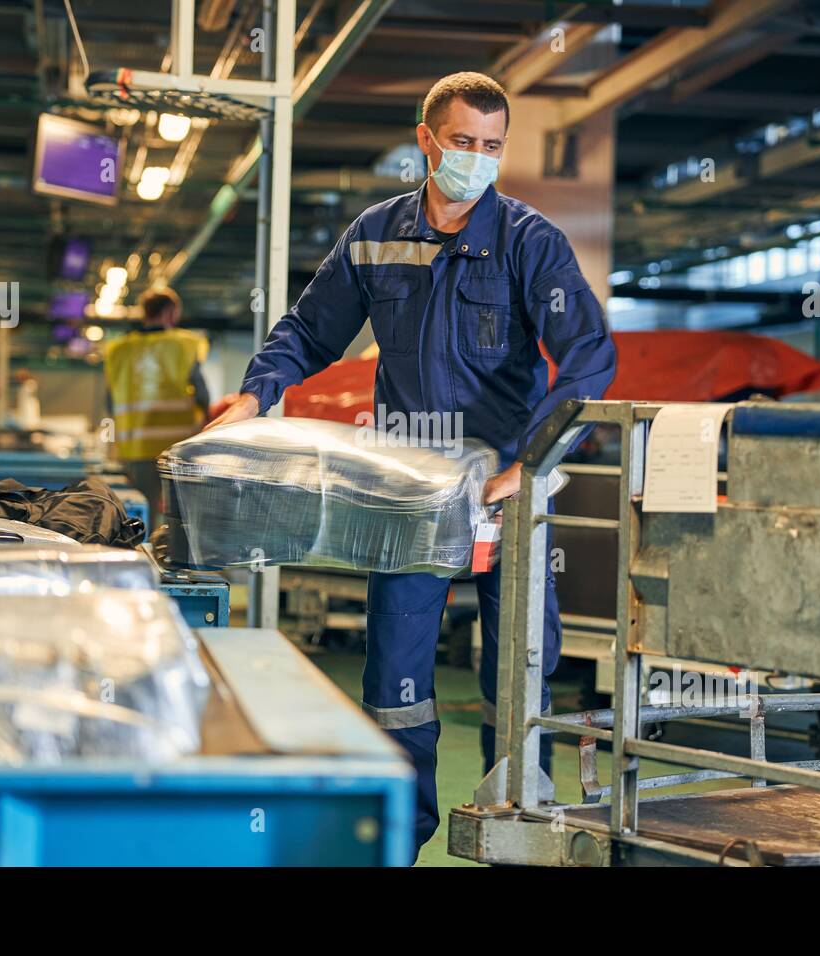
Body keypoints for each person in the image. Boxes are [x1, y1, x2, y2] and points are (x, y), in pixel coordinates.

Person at [206, 72, 616, 854]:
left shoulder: (531, 242)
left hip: (507, 490)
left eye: (492, 147)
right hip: (411, 489)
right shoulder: (376, 235)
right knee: (394, 672)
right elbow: (308, 330)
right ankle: (400, 835)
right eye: (463, 143)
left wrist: (529, 467)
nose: (477, 159)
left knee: (523, 663)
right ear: (426, 140)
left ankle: (518, 821)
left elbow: (590, 360)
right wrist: (258, 395)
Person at [103, 288, 210, 518]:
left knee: (141, 513)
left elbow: (110, 403)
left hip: (135, 449)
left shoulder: (118, 350)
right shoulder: (185, 345)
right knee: (179, 515)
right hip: (179, 448)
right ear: (171, 312)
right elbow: (203, 395)